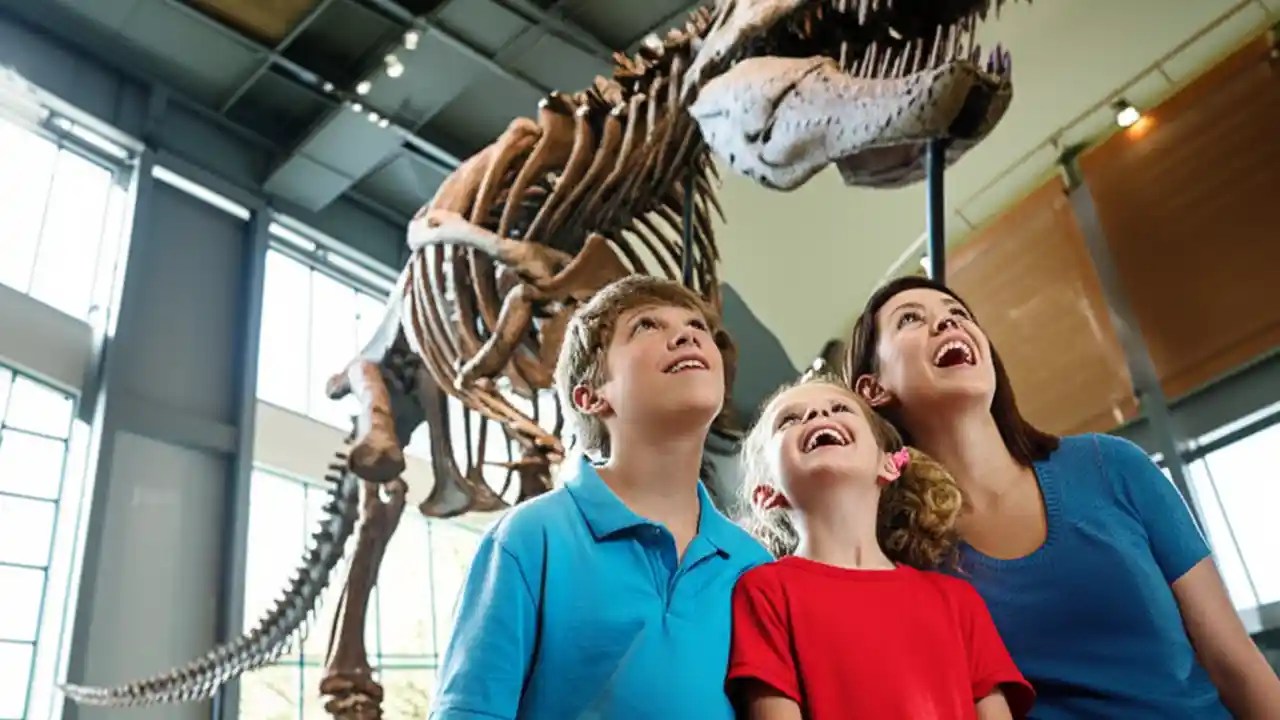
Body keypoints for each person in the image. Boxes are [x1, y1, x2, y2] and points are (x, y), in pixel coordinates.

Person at [845, 274, 1280, 718]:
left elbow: (1236, 663)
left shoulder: (1111, 465)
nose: (947, 324)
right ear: (873, 389)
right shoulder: (897, 558)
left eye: (958, 314)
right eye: (911, 319)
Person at [429, 275, 772, 720]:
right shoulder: (530, 538)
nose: (688, 334)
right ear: (590, 396)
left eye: (698, 327)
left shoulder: (754, 565)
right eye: (646, 326)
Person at [729, 373, 1036, 720]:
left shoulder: (956, 601)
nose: (817, 417)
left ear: (889, 464)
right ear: (766, 494)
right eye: (789, 420)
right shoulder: (764, 592)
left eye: (839, 408)